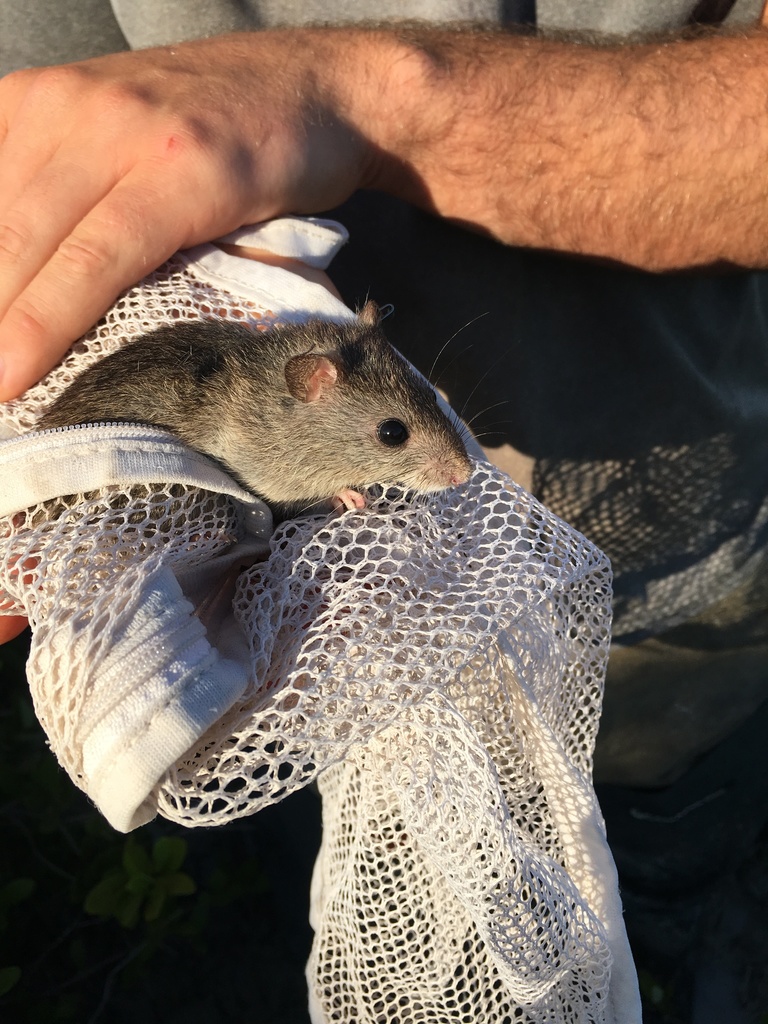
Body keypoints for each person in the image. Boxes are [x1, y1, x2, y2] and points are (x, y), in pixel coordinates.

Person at [2, 2, 768, 1019]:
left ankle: (659, 854)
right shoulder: (290, 405)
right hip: (326, 624)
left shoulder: (330, 392)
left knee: (636, 741)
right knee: (298, 747)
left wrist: (378, 99)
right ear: (316, 381)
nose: (436, 446)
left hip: (654, 546)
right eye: (406, 435)